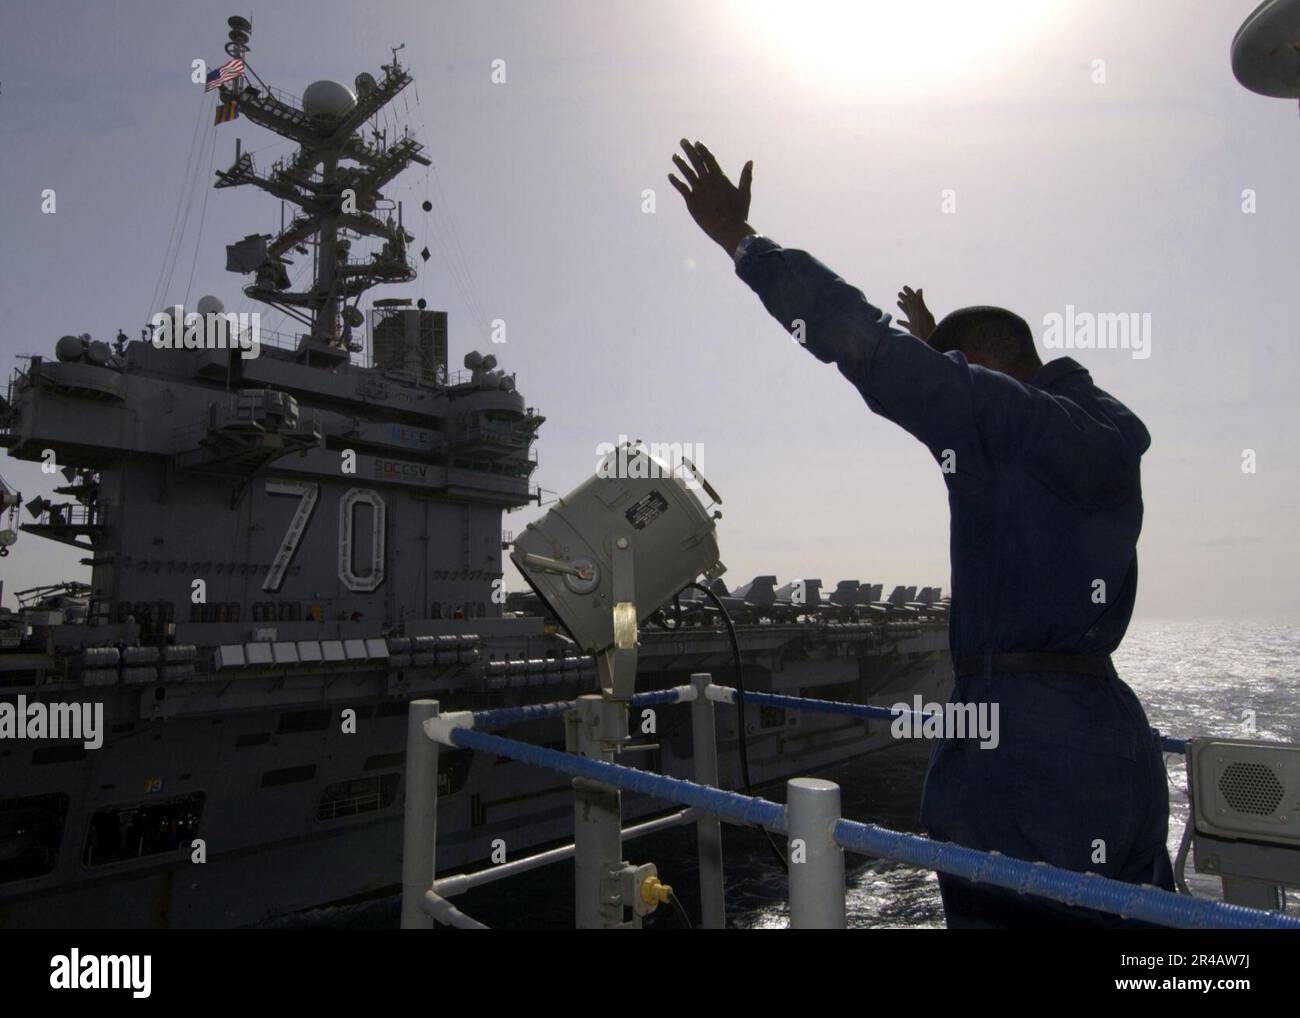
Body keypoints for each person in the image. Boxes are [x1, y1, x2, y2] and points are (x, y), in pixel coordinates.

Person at [668, 139, 1174, 927]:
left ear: (978, 368)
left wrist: (743, 241)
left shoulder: (1000, 416)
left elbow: (862, 340)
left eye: (961, 372)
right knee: (1152, 939)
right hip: (1111, 737)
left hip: (1025, 748)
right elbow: (1006, 395)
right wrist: (953, 346)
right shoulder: (1095, 424)